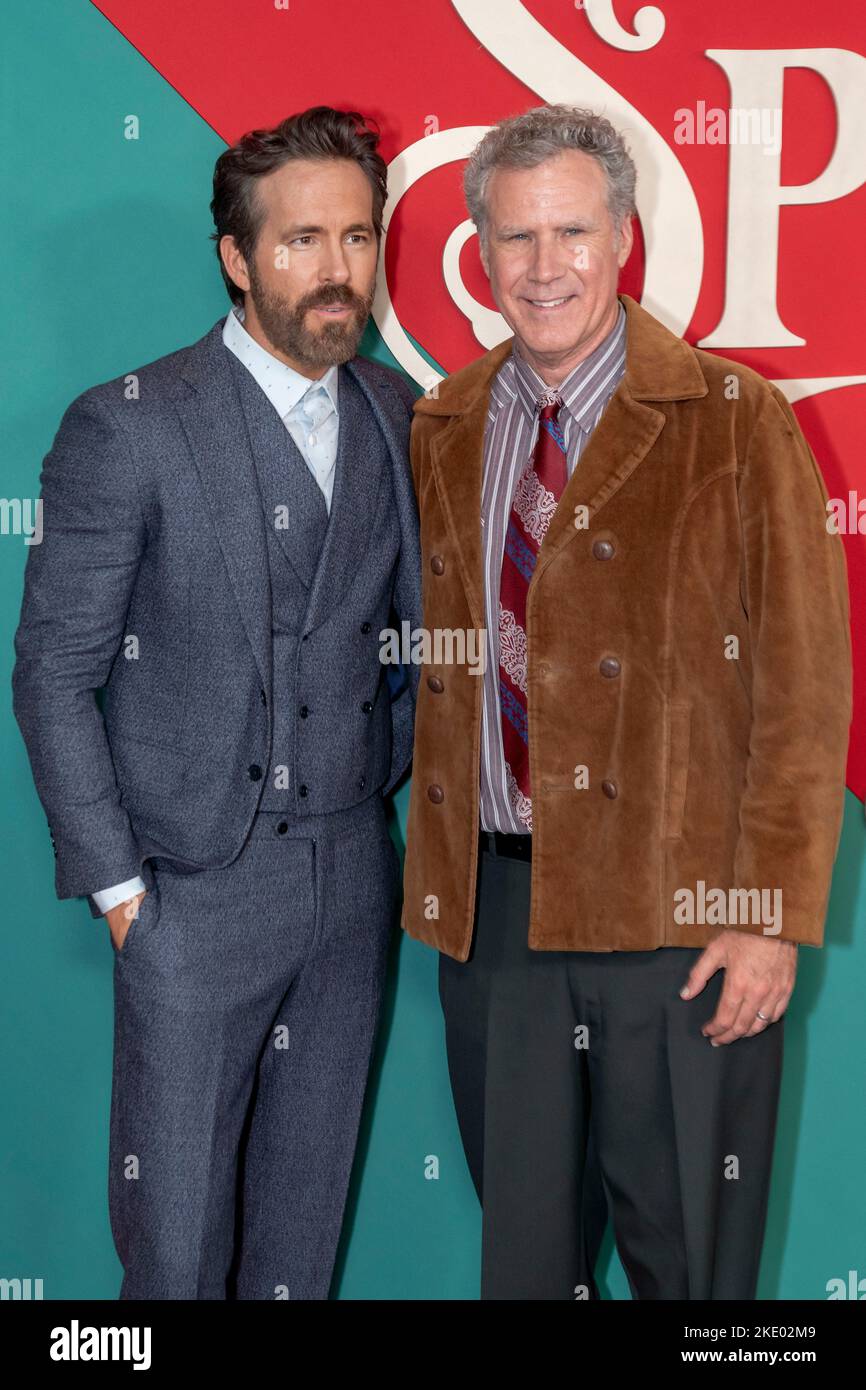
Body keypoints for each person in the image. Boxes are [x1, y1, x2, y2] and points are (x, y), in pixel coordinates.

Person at [400, 104, 852, 1300]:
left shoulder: (733, 419)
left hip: (682, 922)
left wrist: (764, 914)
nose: (543, 268)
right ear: (478, 254)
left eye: (570, 232)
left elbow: (804, 690)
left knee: (694, 1270)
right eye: (514, 238)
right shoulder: (441, 424)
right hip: (497, 921)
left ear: (623, 237)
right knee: (529, 1268)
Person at [12, 106, 421, 1300]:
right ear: (237, 259)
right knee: (179, 1250)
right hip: (189, 892)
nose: (335, 269)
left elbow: (405, 646)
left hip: (351, 879)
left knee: (301, 1239)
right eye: (299, 241)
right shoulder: (126, 424)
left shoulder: (397, 417)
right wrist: (125, 889)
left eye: (355, 236)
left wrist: (373, 786)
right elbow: (51, 672)